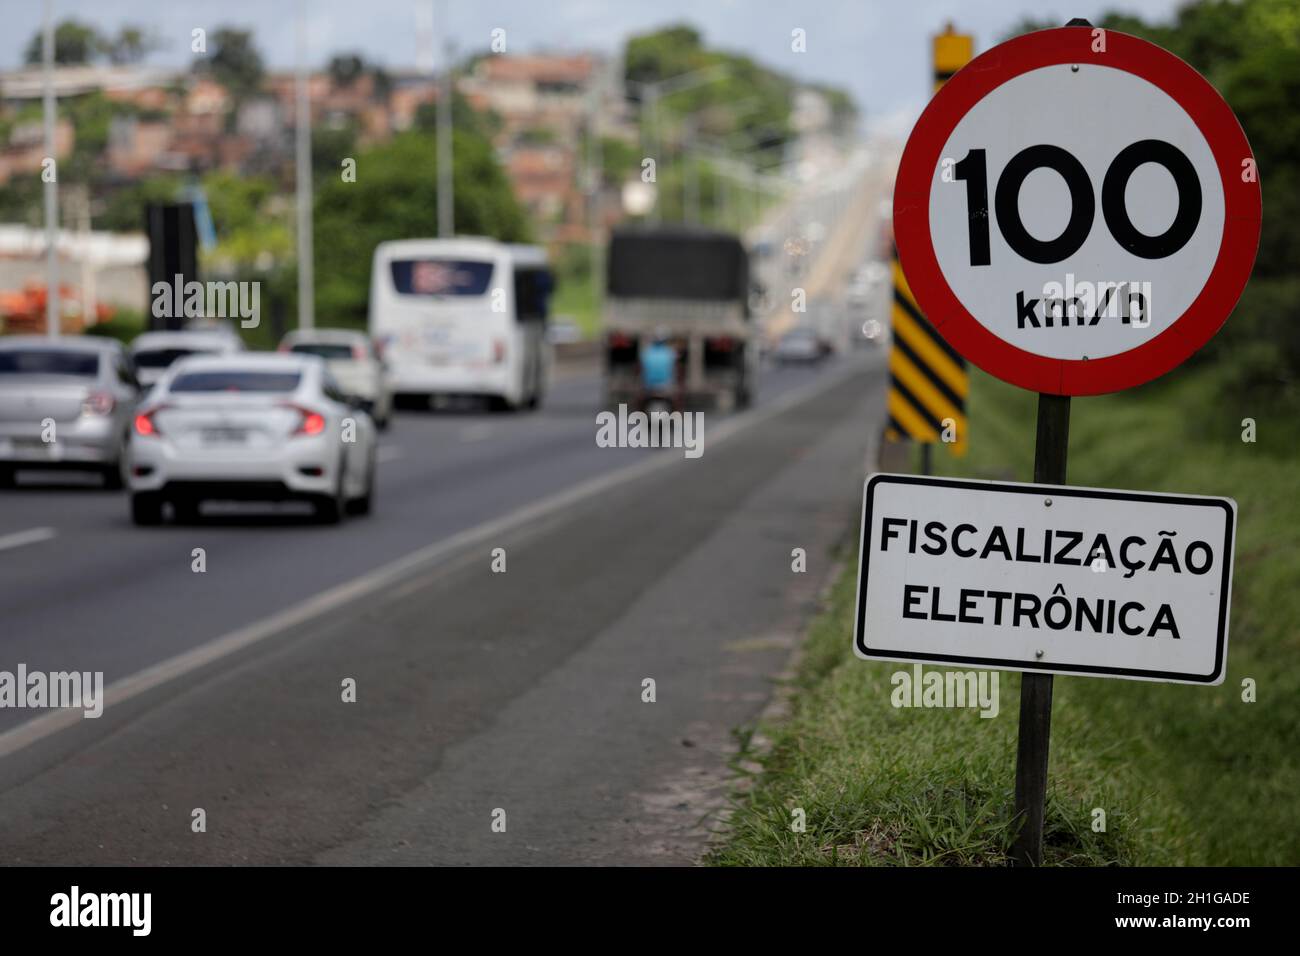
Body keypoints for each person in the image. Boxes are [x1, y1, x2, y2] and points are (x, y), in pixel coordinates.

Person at [639, 328, 676, 395]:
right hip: (666, 385)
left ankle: (623, 405)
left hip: (649, 386)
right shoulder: (670, 352)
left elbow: (642, 368)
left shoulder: (646, 351)